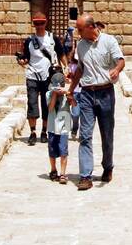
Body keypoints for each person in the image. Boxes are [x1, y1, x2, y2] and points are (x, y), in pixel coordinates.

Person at [67, 14, 125, 190]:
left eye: (80, 29)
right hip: (86, 94)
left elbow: (121, 61)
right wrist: (71, 90)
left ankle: (107, 167)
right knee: (85, 135)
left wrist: (116, 69)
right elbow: (80, 70)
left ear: (91, 28)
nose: (77, 32)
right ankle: (85, 176)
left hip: (105, 93)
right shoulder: (81, 45)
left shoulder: (109, 41)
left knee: (107, 135)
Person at [15, 13, 65, 145]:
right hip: (32, 75)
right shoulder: (29, 41)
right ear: (34, 24)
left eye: (41, 23)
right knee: (32, 104)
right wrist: (22, 61)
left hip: (48, 76)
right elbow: (26, 58)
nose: (39, 26)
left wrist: (68, 69)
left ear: (45, 23)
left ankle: (44, 132)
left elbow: (61, 53)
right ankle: (32, 132)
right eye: (36, 23)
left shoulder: (52, 38)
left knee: (46, 104)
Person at [46, 69, 73, 184]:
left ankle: (63, 173)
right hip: (52, 126)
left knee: (63, 150)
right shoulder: (48, 94)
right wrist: (54, 94)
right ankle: (53, 170)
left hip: (64, 126)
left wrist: (68, 94)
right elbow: (50, 108)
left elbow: (75, 105)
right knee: (52, 150)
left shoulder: (67, 93)